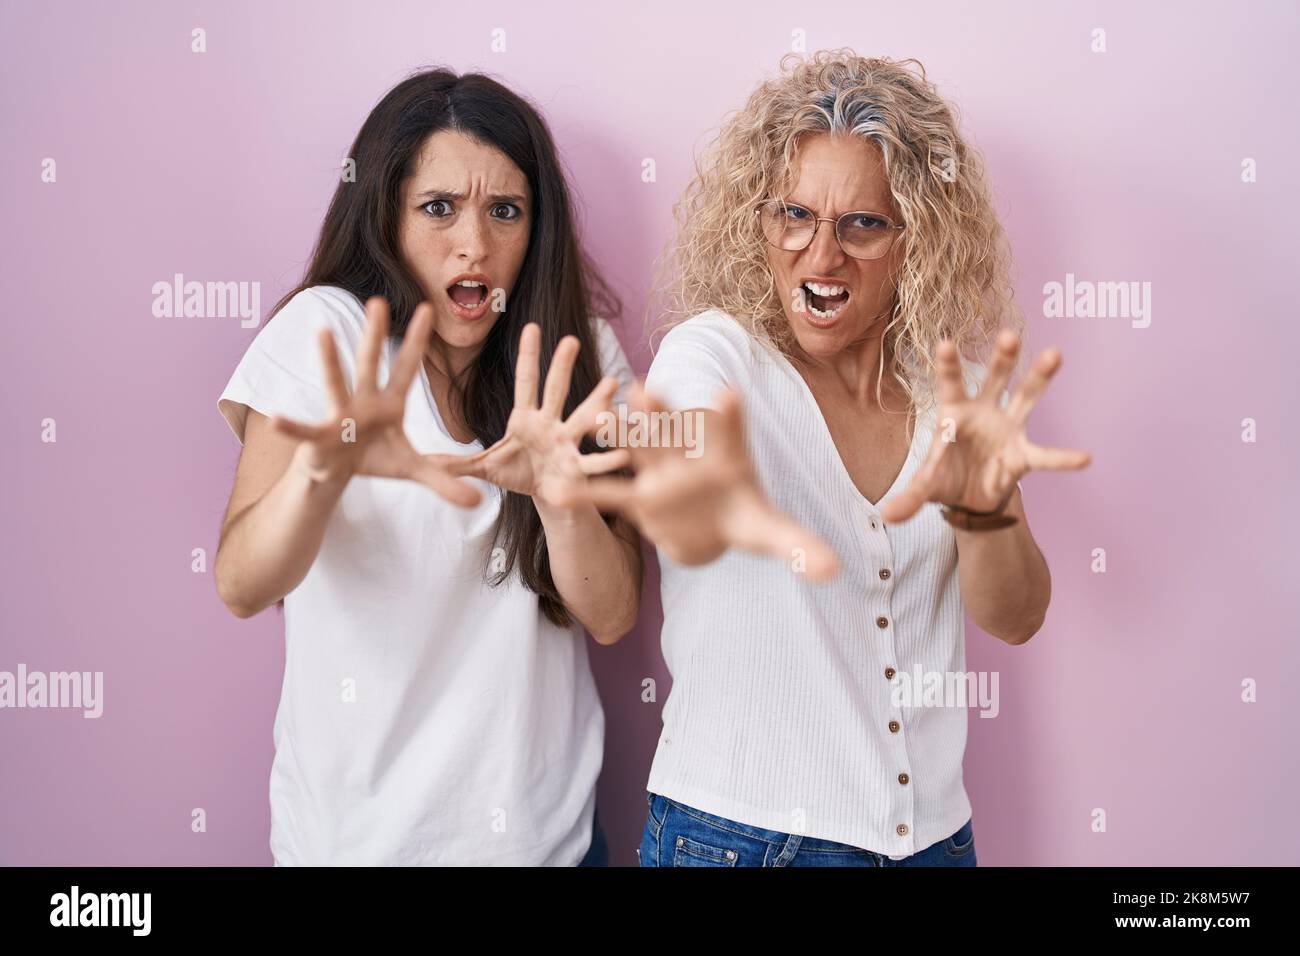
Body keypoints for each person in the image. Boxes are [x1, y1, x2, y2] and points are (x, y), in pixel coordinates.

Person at [567, 51, 1091, 867]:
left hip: (935, 844)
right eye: (794, 214)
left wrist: (985, 510)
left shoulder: (953, 386)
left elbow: (1016, 617)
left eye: (863, 224)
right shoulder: (714, 355)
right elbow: (685, 451)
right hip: (740, 839)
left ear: (918, 235)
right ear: (757, 219)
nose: (821, 255)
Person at [213, 68, 641, 865]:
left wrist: (560, 496)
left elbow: (612, 616)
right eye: (438, 208)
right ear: (386, 217)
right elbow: (242, 583)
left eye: (504, 211)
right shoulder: (328, 338)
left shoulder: (576, 358)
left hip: (550, 845)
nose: (474, 243)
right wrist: (326, 465)